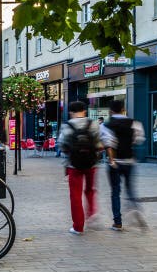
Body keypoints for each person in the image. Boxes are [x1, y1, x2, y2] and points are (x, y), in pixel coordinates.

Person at [57, 101, 102, 235]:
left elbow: (61, 144)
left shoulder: (67, 126)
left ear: (71, 112)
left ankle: (78, 226)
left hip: (74, 165)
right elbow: (99, 143)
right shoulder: (93, 124)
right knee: (90, 190)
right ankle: (92, 212)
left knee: (75, 195)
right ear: (85, 111)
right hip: (91, 163)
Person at [102, 99, 146, 231]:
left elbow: (107, 142)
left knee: (115, 191)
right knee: (130, 189)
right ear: (123, 109)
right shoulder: (135, 124)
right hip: (129, 160)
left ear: (110, 111)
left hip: (114, 162)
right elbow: (139, 140)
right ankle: (134, 208)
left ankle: (118, 222)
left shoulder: (106, 125)